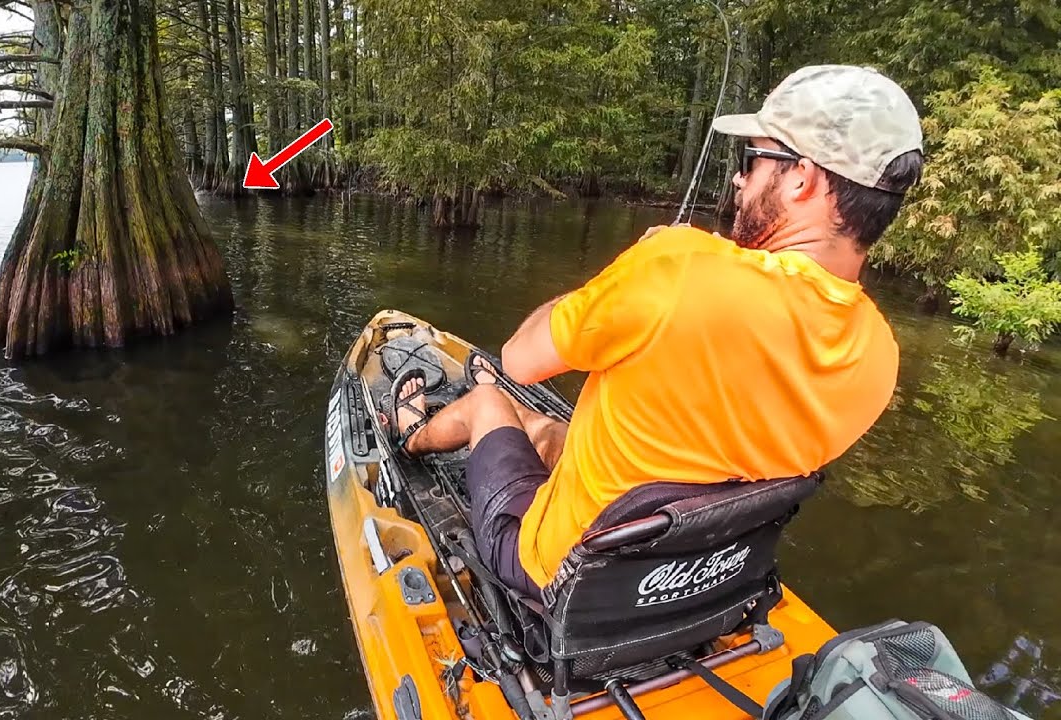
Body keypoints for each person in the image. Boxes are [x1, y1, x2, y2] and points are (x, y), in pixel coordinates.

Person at [388, 65, 925, 598]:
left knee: (488, 398)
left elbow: (518, 360)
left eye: (755, 159)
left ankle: (408, 436)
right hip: (698, 580)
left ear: (803, 179)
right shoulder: (880, 352)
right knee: (553, 432)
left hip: (559, 574)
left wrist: (635, 264)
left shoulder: (680, 266)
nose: (741, 178)